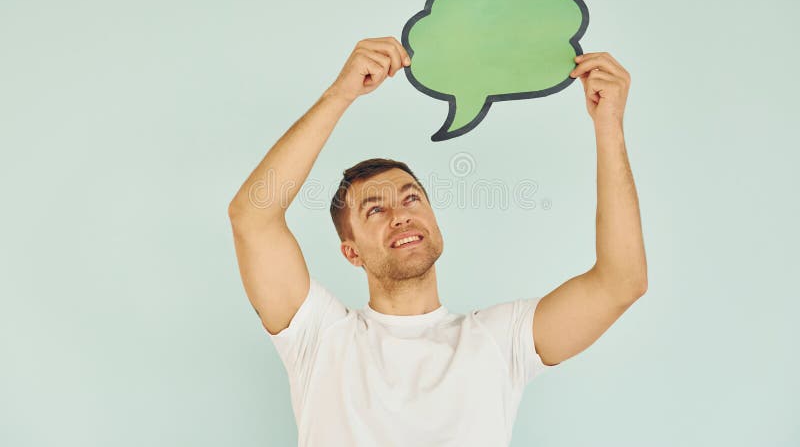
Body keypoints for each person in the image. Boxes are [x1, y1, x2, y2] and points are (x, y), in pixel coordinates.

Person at [227, 37, 647, 447]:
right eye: (375, 210)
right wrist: (341, 94)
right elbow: (252, 216)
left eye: (411, 198)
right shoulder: (319, 338)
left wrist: (608, 124)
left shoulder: (500, 340)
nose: (400, 215)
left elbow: (621, 282)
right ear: (351, 252)